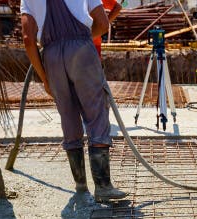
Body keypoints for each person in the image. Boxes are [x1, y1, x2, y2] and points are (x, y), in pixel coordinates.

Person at [20, 0, 128, 202]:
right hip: (82, 51)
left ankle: (80, 184)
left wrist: (45, 78)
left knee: (68, 117)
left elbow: (27, 40)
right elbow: (103, 23)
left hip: (51, 56)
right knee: (96, 113)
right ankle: (103, 186)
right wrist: (81, 41)